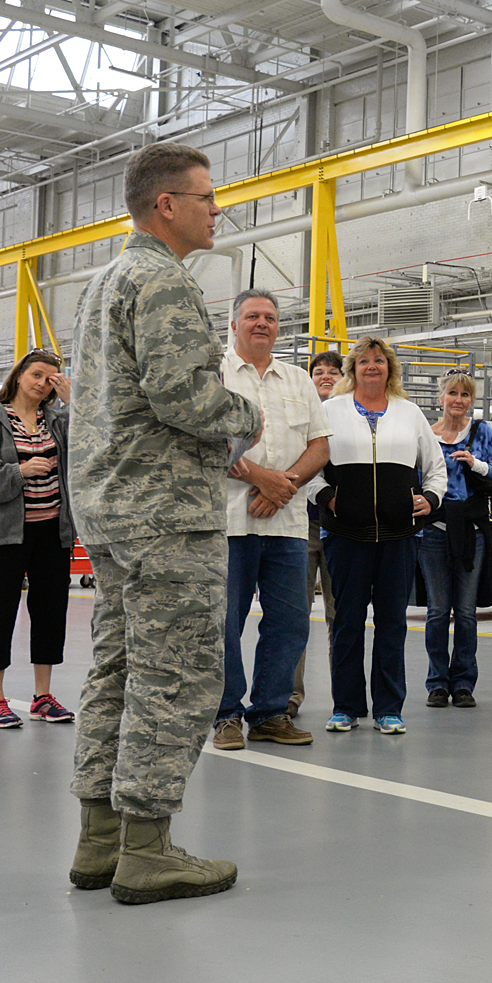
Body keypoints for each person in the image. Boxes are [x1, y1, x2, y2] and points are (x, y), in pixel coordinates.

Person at [67, 142, 263, 904]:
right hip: (165, 512)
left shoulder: (105, 281)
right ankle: (147, 847)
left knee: (116, 668)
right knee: (175, 674)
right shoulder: (165, 282)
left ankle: (98, 840)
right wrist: (249, 414)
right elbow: (185, 396)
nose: (218, 209)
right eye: (208, 196)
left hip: (111, 508)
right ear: (167, 205)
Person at [211, 290, 330, 752]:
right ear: (234, 323)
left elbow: (319, 446)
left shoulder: (298, 380)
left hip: (286, 524)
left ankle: (269, 713)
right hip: (229, 521)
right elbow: (207, 444)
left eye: (271, 318)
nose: (262, 324)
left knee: (291, 621)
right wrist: (265, 480)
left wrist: (287, 485)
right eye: (253, 316)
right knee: (224, 622)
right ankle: (225, 715)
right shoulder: (214, 375)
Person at [315, 337, 445, 734]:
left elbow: (436, 467)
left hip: (397, 537)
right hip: (344, 536)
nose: (372, 367)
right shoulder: (329, 411)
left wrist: (431, 498)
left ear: (390, 368)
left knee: (392, 622)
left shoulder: (409, 413)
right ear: (353, 368)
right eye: (364, 361)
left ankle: (389, 708)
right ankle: (346, 707)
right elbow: (309, 466)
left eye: (379, 361)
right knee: (347, 622)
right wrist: (326, 498)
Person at [0, 349, 78, 728]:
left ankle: (43, 695)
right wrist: (18, 471)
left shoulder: (57, 420)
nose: (42, 383)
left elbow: (91, 447)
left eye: (51, 379)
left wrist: (74, 402)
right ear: (19, 375)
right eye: (37, 375)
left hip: (53, 530)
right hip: (7, 531)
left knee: (50, 611)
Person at [420, 371, 492, 709]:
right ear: (440, 398)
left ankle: (463, 683)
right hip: (432, 533)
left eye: (465, 395)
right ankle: (436, 683)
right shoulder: (426, 437)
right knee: (437, 611)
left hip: (472, 532)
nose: (458, 400)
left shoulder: (482, 432)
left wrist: (477, 465)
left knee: (466, 612)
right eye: (452, 393)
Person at [288, 349, 343, 718]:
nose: (325, 376)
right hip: (301, 524)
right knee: (294, 614)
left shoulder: (353, 417)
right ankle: (290, 695)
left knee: (341, 616)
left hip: (341, 528)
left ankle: (347, 693)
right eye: (318, 371)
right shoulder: (300, 416)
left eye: (333, 371)